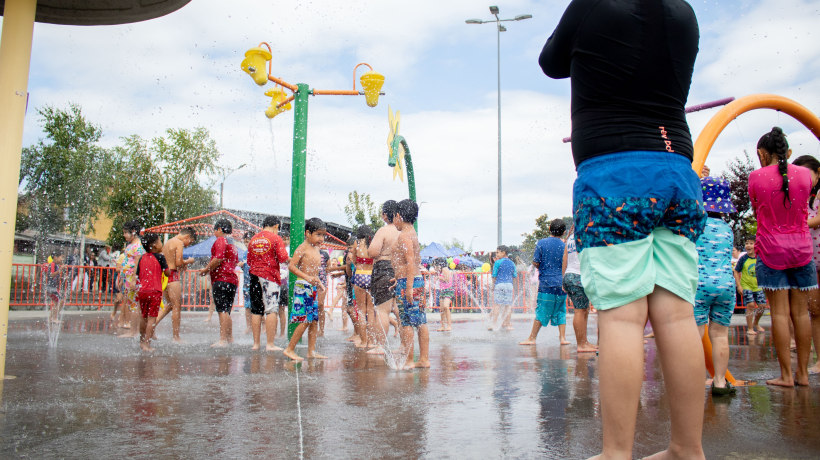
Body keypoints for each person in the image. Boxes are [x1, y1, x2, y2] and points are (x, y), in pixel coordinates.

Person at [540, 1, 706, 458]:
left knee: (622, 317)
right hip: (677, 171)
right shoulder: (684, 12)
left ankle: (617, 453)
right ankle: (687, 449)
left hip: (615, 173)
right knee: (677, 315)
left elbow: (551, 62)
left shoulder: (594, 3)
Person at [749, 127, 816, 387]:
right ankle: (803, 374)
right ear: (787, 151)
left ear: (762, 153)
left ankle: (786, 375)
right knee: (801, 314)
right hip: (802, 248)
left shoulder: (756, 177)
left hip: (771, 249)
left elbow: (757, 209)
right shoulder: (805, 175)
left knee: (779, 313)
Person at [695, 177, 739, 395]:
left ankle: (692, 381)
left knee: (694, 336)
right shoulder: (727, 229)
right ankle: (720, 382)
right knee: (720, 335)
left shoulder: (695, 225)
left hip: (699, 285)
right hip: (726, 285)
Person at [283, 217, 329, 361]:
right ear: (307, 233)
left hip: (312, 287)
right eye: (318, 235)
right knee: (305, 320)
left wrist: (319, 283)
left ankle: (311, 351)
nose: (321, 238)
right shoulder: (302, 247)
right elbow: (291, 266)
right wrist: (307, 277)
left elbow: (314, 271)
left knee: (314, 320)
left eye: (323, 235)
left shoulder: (316, 248)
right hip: (303, 286)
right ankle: (290, 349)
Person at [391, 199, 429, 369]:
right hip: (412, 280)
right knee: (420, 321)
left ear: (399, 216)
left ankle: (409, 361)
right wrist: (398, 279)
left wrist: (407, 287)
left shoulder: (404, 235)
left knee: (406, 322)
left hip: (409, 282)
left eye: (394, 217)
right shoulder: (412, 233)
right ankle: (424, 359)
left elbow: (410, 261)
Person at [792, 154, 820, 374]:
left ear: (818, 173)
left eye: (806, 174)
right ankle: (819, 360)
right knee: (815, 310)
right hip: (810, 258)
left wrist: (794, 222)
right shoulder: (801, 195)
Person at [520, 220, 568, 345]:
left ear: (549, 229)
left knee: (542, 310)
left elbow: (536, 262)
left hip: (546, 283)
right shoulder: (564, 245)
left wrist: (540, 266)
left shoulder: (542, 243)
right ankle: (562, 338)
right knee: (561, 310)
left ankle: (532, 338)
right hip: (561, 283)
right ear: (564, 232)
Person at [247, 216, 290, 351]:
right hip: (269, 276)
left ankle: (256, 344)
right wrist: (294, 260)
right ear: (276, 226)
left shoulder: (253, 239)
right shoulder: (276, 238)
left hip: (254, 275)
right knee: (271, 309)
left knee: (256, 310)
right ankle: (270, 344)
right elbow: (283, 258)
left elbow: (249, 261)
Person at [199, 219, 239, 348]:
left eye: (215, 230)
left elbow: (219, 258)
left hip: (221, 279)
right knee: (226, 310)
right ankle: (230, 338)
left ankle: (222, 340)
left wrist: (206, 269)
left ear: (220, 229)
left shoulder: (221, 240)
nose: (214, 233)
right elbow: (234, 261)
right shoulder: (233, 244)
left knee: (222, 310)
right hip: (231, 280)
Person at [367, 200, 401, 352]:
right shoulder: (402, 231)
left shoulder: (384, 231)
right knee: (399, 310)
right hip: (399, 270)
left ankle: (380, 346)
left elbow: (373, 252)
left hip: (384, 269)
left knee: (382, 310)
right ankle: (404, 345)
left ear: (385, 215)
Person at [155, 227, 196, 342]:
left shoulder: (168, 242)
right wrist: (188, 261)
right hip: (172, 275)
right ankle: (176, 337)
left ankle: (151, 327)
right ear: (187, 237)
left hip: (164, 276)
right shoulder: (179, 243)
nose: (188, 245)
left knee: (169, 305)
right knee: (177, 306)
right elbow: (178, 262)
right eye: (190, 242)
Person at [562, 224, 596, 353]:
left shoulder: (571, 237)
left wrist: (563, 278)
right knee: (580, 311)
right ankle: (581, 344)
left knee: (584, 309)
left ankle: (584, 341)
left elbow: (565, 259)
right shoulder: (585, 234)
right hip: (579, 275)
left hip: (570, 275)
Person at [134, 233, 171, 352]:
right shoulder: (160, 257)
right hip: (154, 291)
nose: (161, 243)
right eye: (160, 241)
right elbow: (167, 273)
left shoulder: (142, 258)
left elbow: (138, 275)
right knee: (152, 319)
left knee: (143, 316)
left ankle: (141, 341)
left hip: (142, 291)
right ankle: (147, 344)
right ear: (154, 245)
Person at [734, 238, 767, 335]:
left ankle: (756, 323)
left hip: (758, 286)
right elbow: (736, 271)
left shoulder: (760, 258)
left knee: (762, 306)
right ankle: (750, 328)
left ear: (756, 246)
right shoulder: (743, 258)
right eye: (747, 243)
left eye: (751, 243)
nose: (748, 245)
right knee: (750, 305)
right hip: (746, 285)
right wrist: (739, 286)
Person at [351, 225, 375, 349]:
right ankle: (371, 341)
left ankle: (363, 341)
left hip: (360, 275)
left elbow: (353, 259)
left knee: (361, 311)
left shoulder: (357, 244)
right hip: (371, 275)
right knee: (370, 311)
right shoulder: (373, 244)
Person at [120, 220, 145, 338]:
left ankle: (133, 331)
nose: (124, 235)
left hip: (133, 279)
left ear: (133, 232)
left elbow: (137, 265)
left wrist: (134, 279)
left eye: (126, 232)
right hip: (128, 278)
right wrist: (122, 278)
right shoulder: (130, 245)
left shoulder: (138, 246)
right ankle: (134, 330)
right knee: (131, 304)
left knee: (134, 305)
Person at [44, 253, 65, 323]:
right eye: (61, 257)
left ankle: (51, 318)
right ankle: (54, 318)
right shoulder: (53, 264)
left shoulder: (55, 265)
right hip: (51, 288)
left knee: (57, 302)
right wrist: (60, 269)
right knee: (60, 301)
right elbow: (52, 275)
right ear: (55, 257)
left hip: (51, 288)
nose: (62, 259)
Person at [436, 259, 454, 331]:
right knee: (442, 309)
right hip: (442, 291)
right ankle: (443, 326)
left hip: (448, 290)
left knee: (446, 307)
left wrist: (439, 277)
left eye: (436, 265)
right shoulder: (440, 270)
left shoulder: (445, 269)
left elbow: (447, 279)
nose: (435, 266)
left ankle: (449, 325)